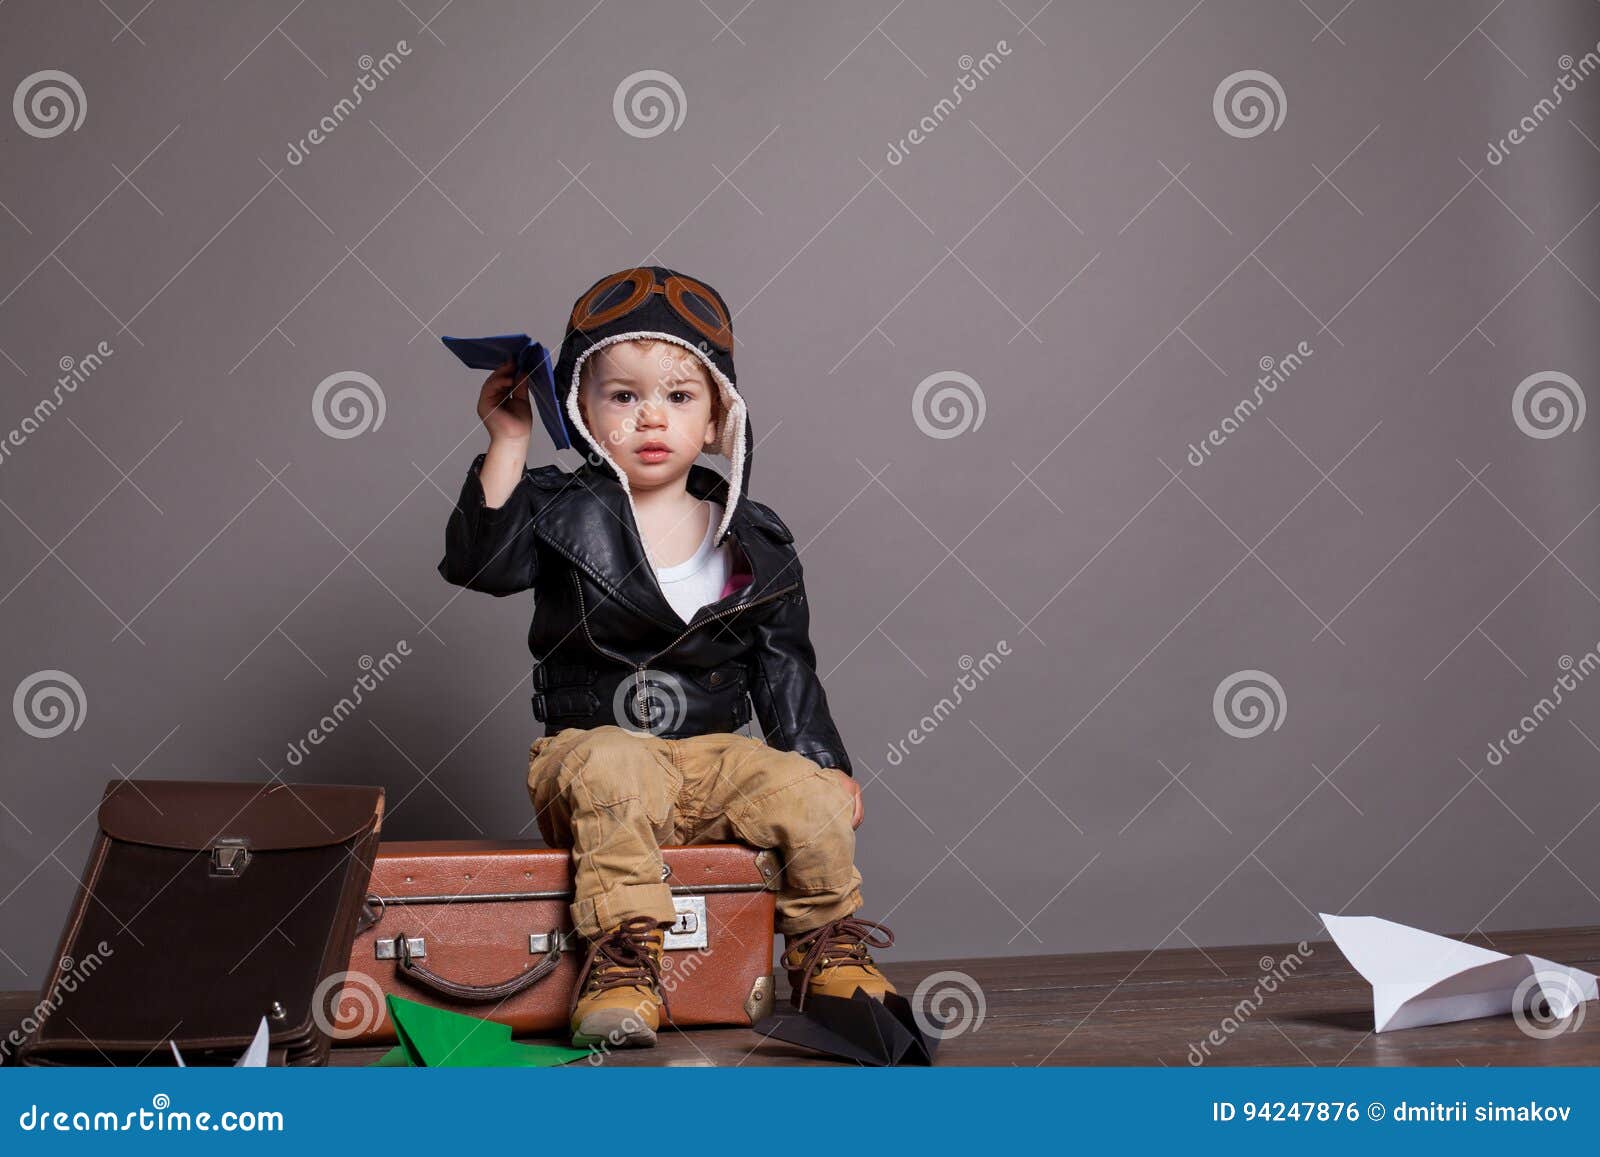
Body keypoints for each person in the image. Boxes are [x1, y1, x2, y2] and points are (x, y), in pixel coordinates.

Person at [438, 265, 895, 1049]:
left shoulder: (755, 533)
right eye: (622, 395)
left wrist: (823, 760)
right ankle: (624, 965)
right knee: (616, 765)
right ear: (580, 410)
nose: (651, 416)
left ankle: (826, 954)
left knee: (805, 791)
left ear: (721, 418)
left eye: (680, 396)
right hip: (591, 755)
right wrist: (508, 440)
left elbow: (785, 664)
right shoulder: (555, 506)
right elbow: (484, 568)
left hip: (713, 757)